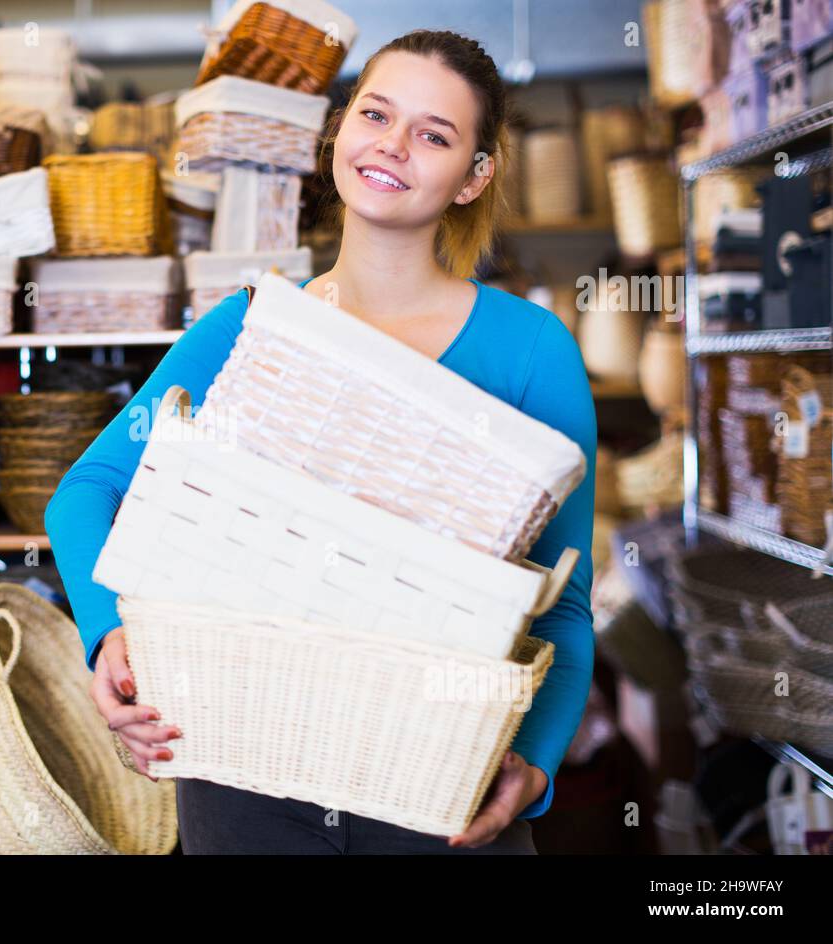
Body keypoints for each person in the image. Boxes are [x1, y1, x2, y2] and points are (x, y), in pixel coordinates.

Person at [44, 29, 596, 855]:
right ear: (338, 131)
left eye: (434, 135)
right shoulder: (247, 324)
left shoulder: (529, 349)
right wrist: (107, 635)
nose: (393, 145)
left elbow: (567, 603)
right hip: (244, 774)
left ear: (474, 176)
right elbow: (86, 493)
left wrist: (537, 764)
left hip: (439, 782)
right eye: (376, 113)